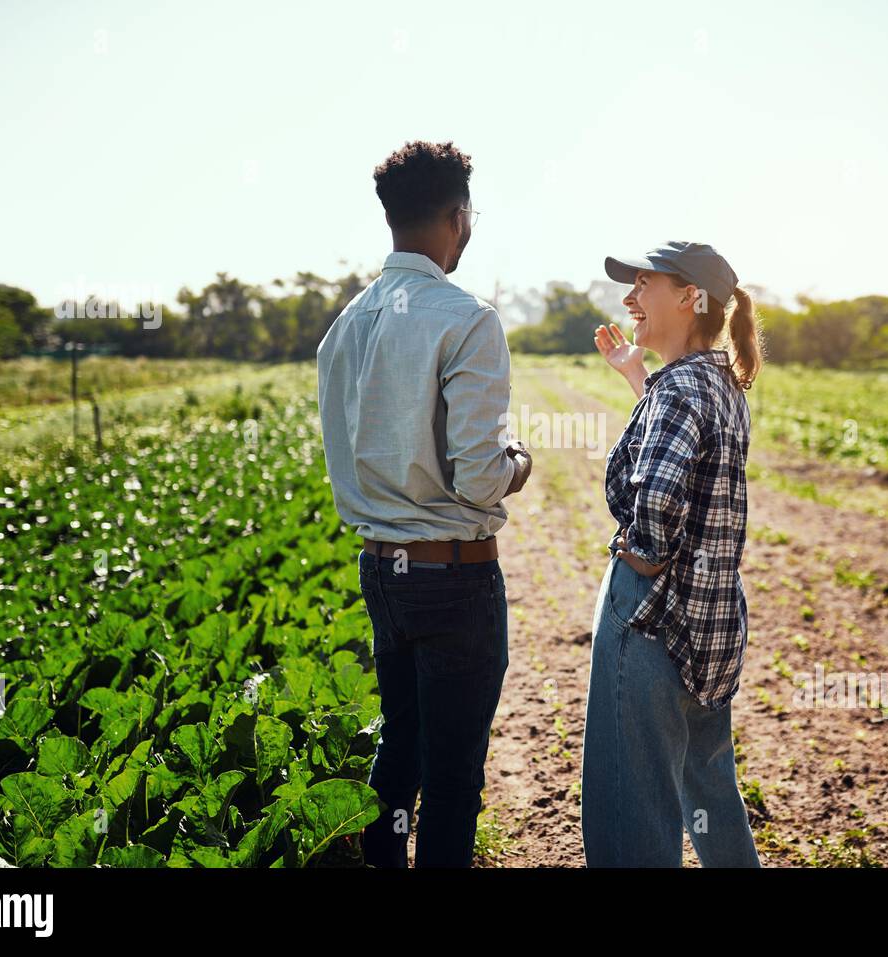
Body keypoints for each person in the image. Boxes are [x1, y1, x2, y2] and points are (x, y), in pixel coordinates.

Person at [315, 140, 533, 867]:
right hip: (454, 577)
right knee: (452, 779)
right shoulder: (467, 318)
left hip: (382, 570)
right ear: (459, 217)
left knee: (398, 750)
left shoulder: (344, 327)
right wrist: (519, 463)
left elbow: (347, 459)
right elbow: (479, 477)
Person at [581, 240, 763, 867]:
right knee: (710, 782)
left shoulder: (679, 392)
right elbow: (684, 459)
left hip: (654, 616)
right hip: (710, 621)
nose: (629, 297)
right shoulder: (719, 383)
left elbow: (657, 500)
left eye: (643, 285)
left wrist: (641, 560)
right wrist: (638, 378)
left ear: (690, 298)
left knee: (632, 801)